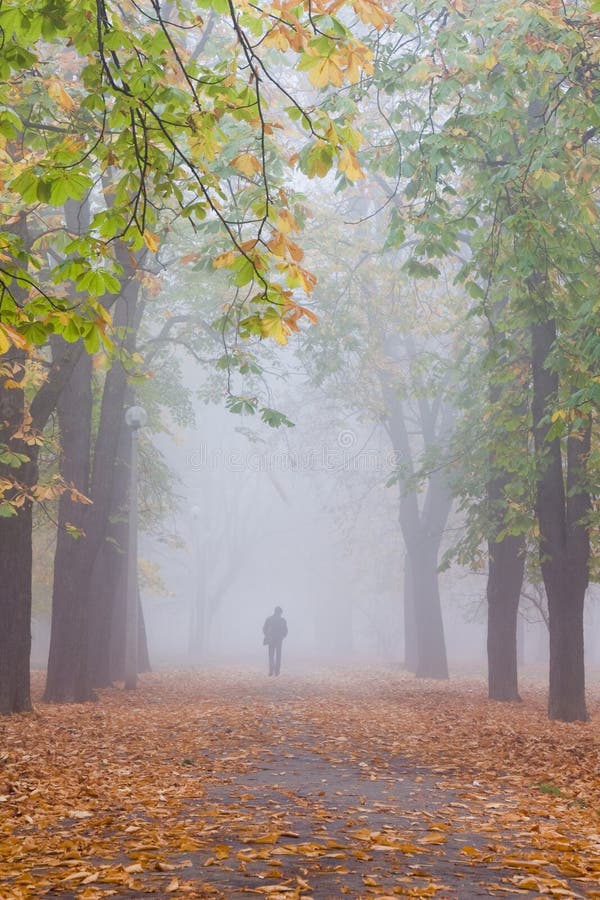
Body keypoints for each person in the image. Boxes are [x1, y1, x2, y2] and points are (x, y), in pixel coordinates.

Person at [262, 606, 288, 676]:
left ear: (274, 611)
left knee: (271, 655)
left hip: (271, 639)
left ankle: (271, 670)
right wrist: (282, 636)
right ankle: (277, 671)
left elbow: (264, 629)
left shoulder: (269, 619)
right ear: (280, 612)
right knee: (278, 655)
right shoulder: (282, 620)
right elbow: (285, 631)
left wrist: (267, 635)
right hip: (279, 640)